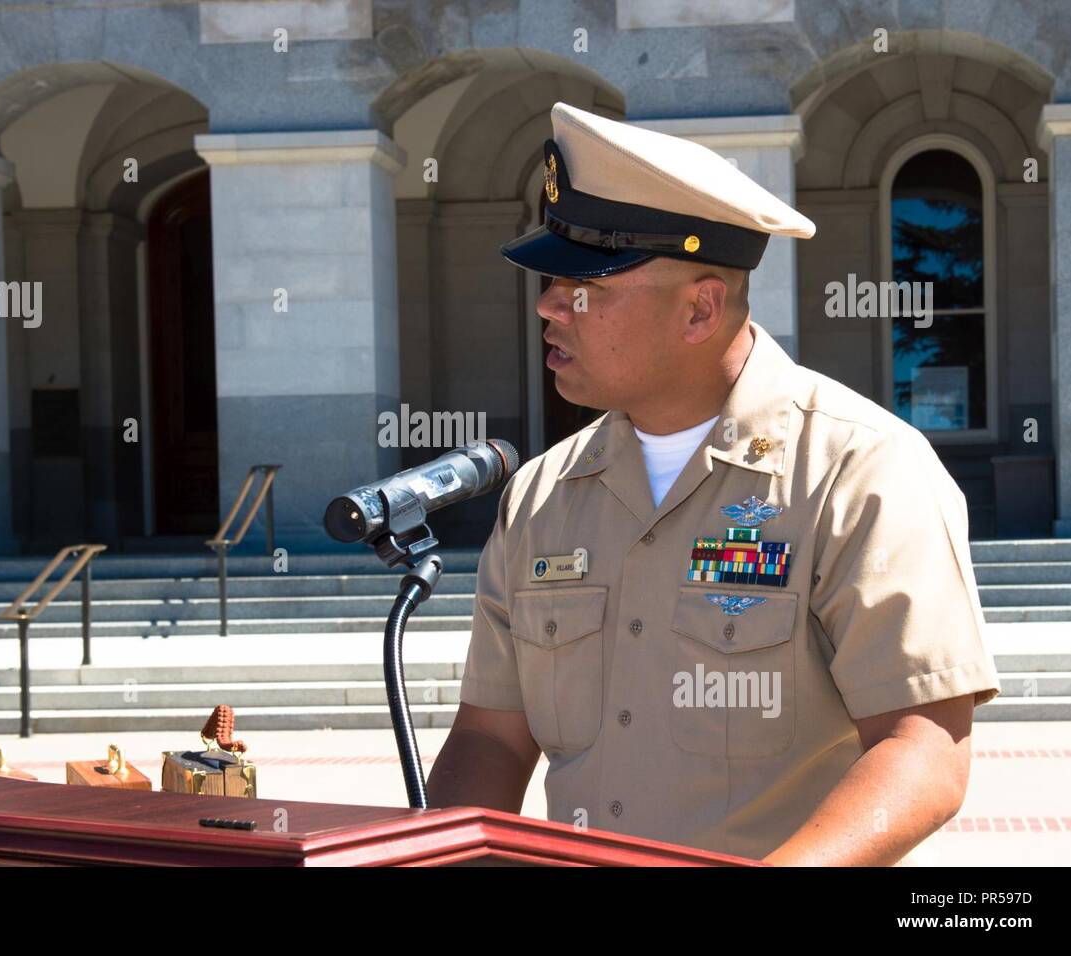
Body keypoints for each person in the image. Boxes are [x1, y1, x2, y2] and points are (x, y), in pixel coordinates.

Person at [425, 102, 1001, 866]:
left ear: (699, 309)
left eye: (584, 286)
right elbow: (490, 736)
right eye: (551, 282)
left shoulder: (859, 470)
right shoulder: (544, 494)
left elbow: (922, 750)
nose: (549, 306)